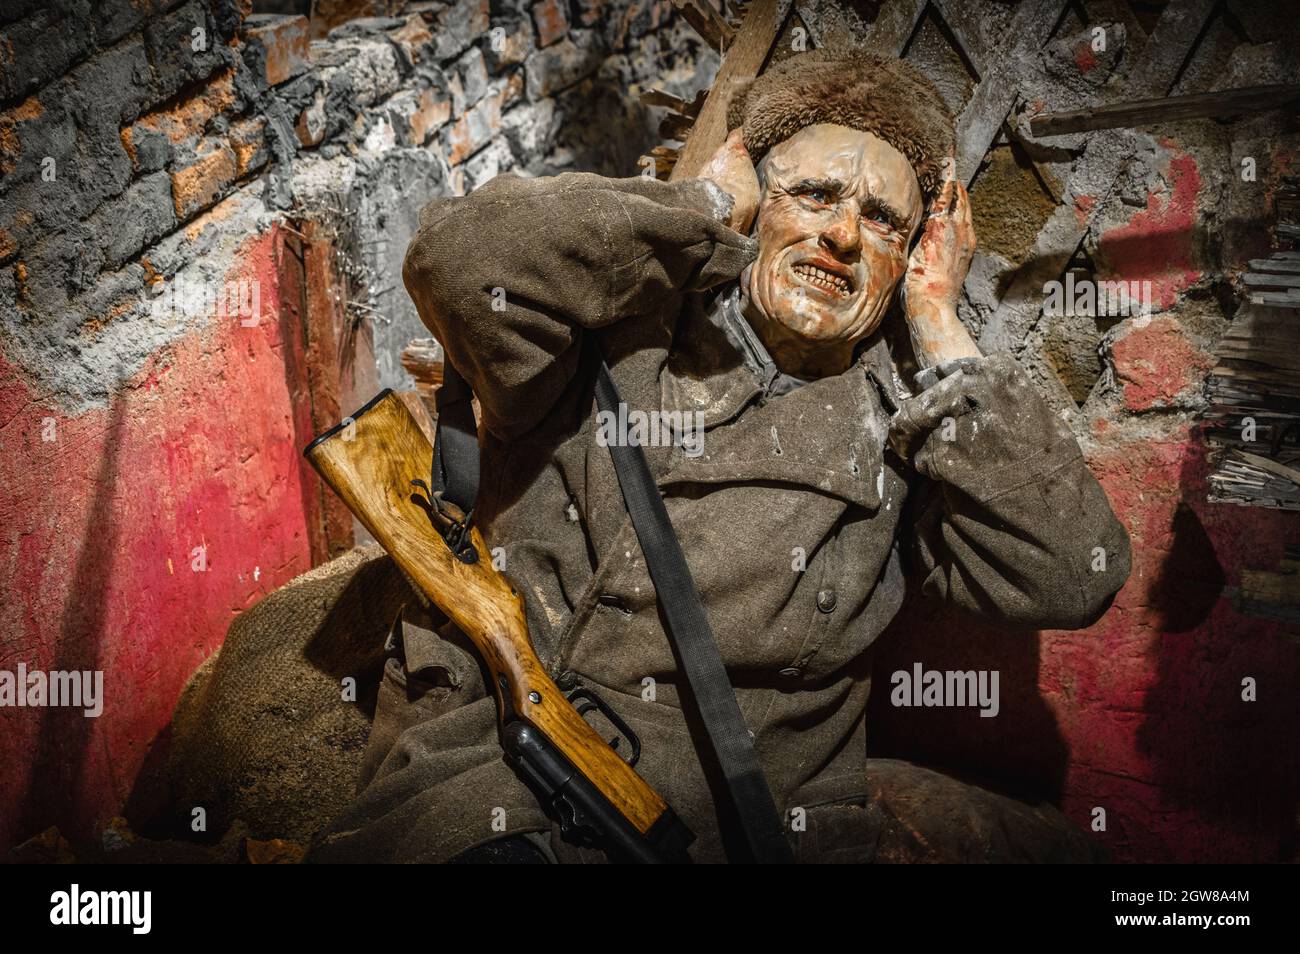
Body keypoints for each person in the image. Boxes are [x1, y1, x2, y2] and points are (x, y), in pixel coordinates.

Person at [311, 48, 1131, 864]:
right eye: (812, 193)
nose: (842, 234)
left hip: (719, 825)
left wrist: (941, 326)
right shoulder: (614, 328)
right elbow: (452, 262)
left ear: (915, 257)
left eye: (883, 219)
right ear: (755, 208)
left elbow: (1072, 574)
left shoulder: (909, 429)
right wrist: (700, 200)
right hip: (500, 772)